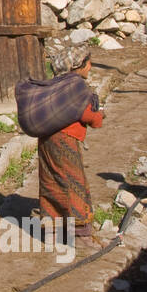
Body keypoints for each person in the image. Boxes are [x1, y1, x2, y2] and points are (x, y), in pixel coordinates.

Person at [34, 48, 104, 247]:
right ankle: (81, 235)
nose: (90, 67)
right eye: (88, 63)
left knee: (50, 181)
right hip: (65, 139)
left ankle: (52, 232)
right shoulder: (75, 87)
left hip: (45, 139)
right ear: (78, 66)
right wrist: (100, 116)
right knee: (74, 182)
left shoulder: (51, 85)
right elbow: (89, 116)